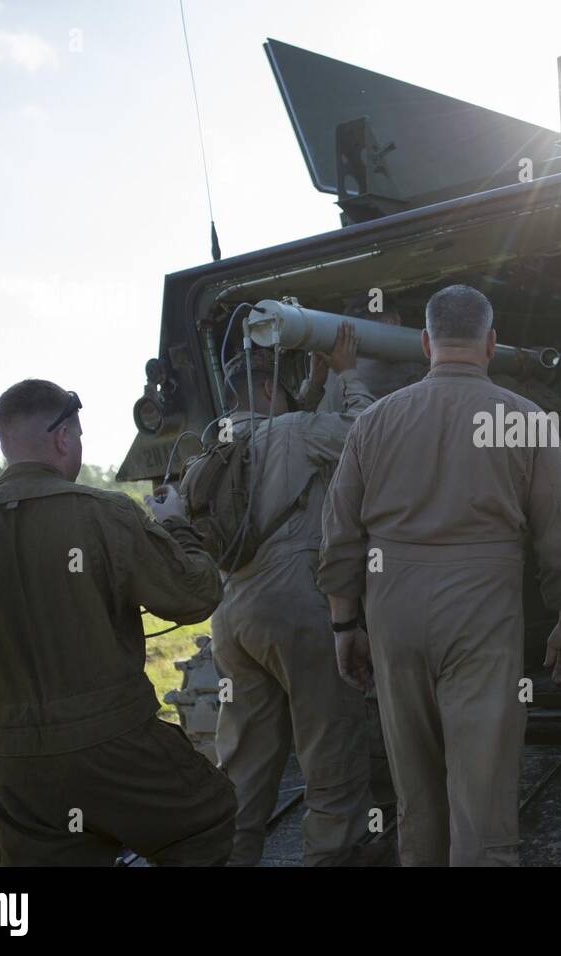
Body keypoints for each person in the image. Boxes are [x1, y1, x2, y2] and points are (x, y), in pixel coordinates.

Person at [0, 379, 235, 865]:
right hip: (118, 749)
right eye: (80, 436)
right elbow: (195, 596)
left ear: (5, 443)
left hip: (15, 766)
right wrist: (175, 523)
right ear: (64, 437)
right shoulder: (105, 514)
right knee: (207, 817)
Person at [319, 283, 561, 866]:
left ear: (424, 343)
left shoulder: (374, 422)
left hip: (393, 612)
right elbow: (560, 535)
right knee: (483, 787)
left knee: (415, 789)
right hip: (481, 614)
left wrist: (345, 626)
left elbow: (340, 532)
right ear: (492, 343)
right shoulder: (525, 421)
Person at [202, 325, 380, 866]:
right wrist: (348, 375)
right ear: (263, 390)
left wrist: (310, 387)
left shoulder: (212, 448)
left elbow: (277, 435)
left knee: (246, 758)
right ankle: (334, 854)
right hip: (294, 606)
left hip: (232, 618)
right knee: (329, 741)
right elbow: (369, 433)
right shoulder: (294, 432)